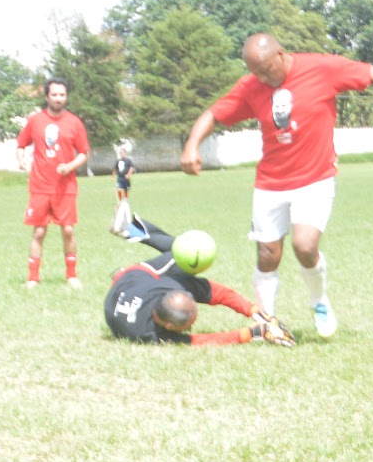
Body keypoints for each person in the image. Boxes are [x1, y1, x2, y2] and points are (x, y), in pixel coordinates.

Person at [180, 31, 373, 338]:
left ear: (280, 53)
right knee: (267, 255)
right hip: (270, 183)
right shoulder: (252, 85)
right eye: (255, 72)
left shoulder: (321, 68)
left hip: (315, 179)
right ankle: (267, 322)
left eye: (266, 70)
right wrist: (191, 145)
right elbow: (213, 113)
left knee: (305, 247)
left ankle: (319, 301)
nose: (262, 78)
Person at [105, 217, 294, 346]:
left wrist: (258, 313)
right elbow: (200, 341)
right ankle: (130, 228)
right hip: (128, 286)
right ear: (170, 327)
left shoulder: (173, 286)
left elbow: (218, 293)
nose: (191, 328)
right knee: (192, 252)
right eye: (188, 325)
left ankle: (130, 227)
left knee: (187, 253)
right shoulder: (149, 334)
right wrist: (252, 333)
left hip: (133, 278)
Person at [17, 78, 90, 288]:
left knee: (68, 230)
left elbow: (84, 153)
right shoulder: (35, 121)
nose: (58, 98)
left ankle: (71, 275)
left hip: (65, 187)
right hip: (40, 186)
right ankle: (32, 278)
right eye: (55, 94)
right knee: (39, 232)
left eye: (62, 95)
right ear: (47, 97)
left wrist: (69, 167)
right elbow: (21, 144)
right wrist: (21, 159)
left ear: (66, 97)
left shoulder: (74, 122)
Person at [110, 143, 136, 237]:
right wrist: (113, 176)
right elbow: (115, 169)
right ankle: (121, 200)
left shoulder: (128, 161)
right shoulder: (118, 161)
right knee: (119, 189)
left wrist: (129, 174)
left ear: (125, 153)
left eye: (123, 153)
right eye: (121, 153)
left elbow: (131, 168)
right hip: (120, 178)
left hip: (126, 178)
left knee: (126, 190)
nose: (122, 154)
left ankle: (125, 199)